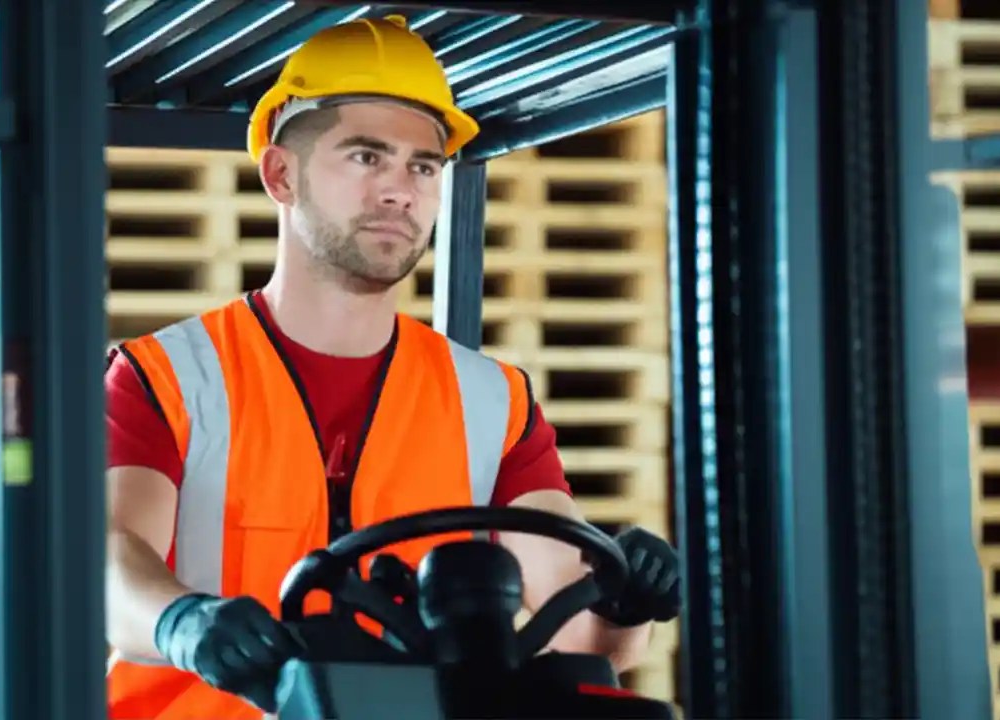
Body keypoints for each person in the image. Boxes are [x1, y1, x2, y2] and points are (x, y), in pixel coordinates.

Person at [102, 14, 681, 720]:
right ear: (281, 174)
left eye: (423, 166)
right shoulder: (165, 377)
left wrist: (627, 599)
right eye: (366, 157)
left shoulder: (492, 401)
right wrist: (184, 623)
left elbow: (581, 629)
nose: (400, 191)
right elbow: (109, 562)